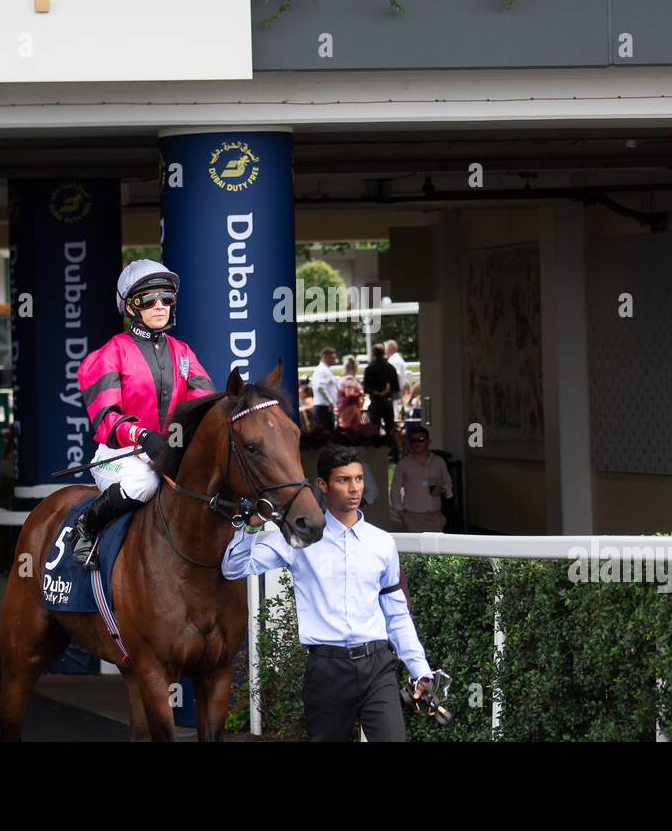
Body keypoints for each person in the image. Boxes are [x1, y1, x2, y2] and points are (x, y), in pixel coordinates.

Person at [222, 444, 434, 741]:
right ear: (322, 485)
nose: (353, 488)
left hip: (378, 667)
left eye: (358, 479)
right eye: (343, 480)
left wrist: (421, 670)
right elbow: (232, 568)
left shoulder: (383, 543)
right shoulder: (297, 539)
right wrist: (252, 527)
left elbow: (396, 614)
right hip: (327, 670)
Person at [70, 259, 215, 569]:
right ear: (131, 307)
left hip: (169, 452)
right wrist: (143, 435)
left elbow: (201, 402)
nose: (159, 306)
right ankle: (87, 525)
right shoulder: (110, 354)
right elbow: (105, 415)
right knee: (144, 485)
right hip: (120, 455)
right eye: (148, 300)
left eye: (167, 299)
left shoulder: (183, 352)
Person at [389, 428, 452, 533]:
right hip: (413, 517)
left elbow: (448, 482)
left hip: (435, 516)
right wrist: (401, 513)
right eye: (413, 440)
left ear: (428, 442)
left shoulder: (438, 462)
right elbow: (395, 490)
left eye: (421, 439)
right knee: (415, 549)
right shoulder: (403, 464)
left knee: (436, 549)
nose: (417, 443)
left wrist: (443, 490)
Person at [362, 343, 400, 458]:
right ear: (384, 353)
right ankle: (395, 454)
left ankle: (375, 454)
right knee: (390, 428)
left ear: (373, 354)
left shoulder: (369, 368)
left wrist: (375, 392)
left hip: (375, 402)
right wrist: (386, 392)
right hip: (387, 402)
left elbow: (366, 388)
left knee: (375, 428)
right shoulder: (390, 368)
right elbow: (396, 388)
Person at [310, 347, 338, 430]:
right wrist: (329, 401)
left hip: (324, 407)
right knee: (326, 434)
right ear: (325, 357)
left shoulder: (324, 369)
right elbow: (320, 387)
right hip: (323, 408)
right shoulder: (322, 370)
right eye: (332, 358)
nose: (334, 360)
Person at [336, 356, 364, 432]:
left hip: (344, 406)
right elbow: (349, 394)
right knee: (350, 430)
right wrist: (360, 393)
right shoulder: (350, 379)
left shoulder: (342, 378)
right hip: (350, 408)